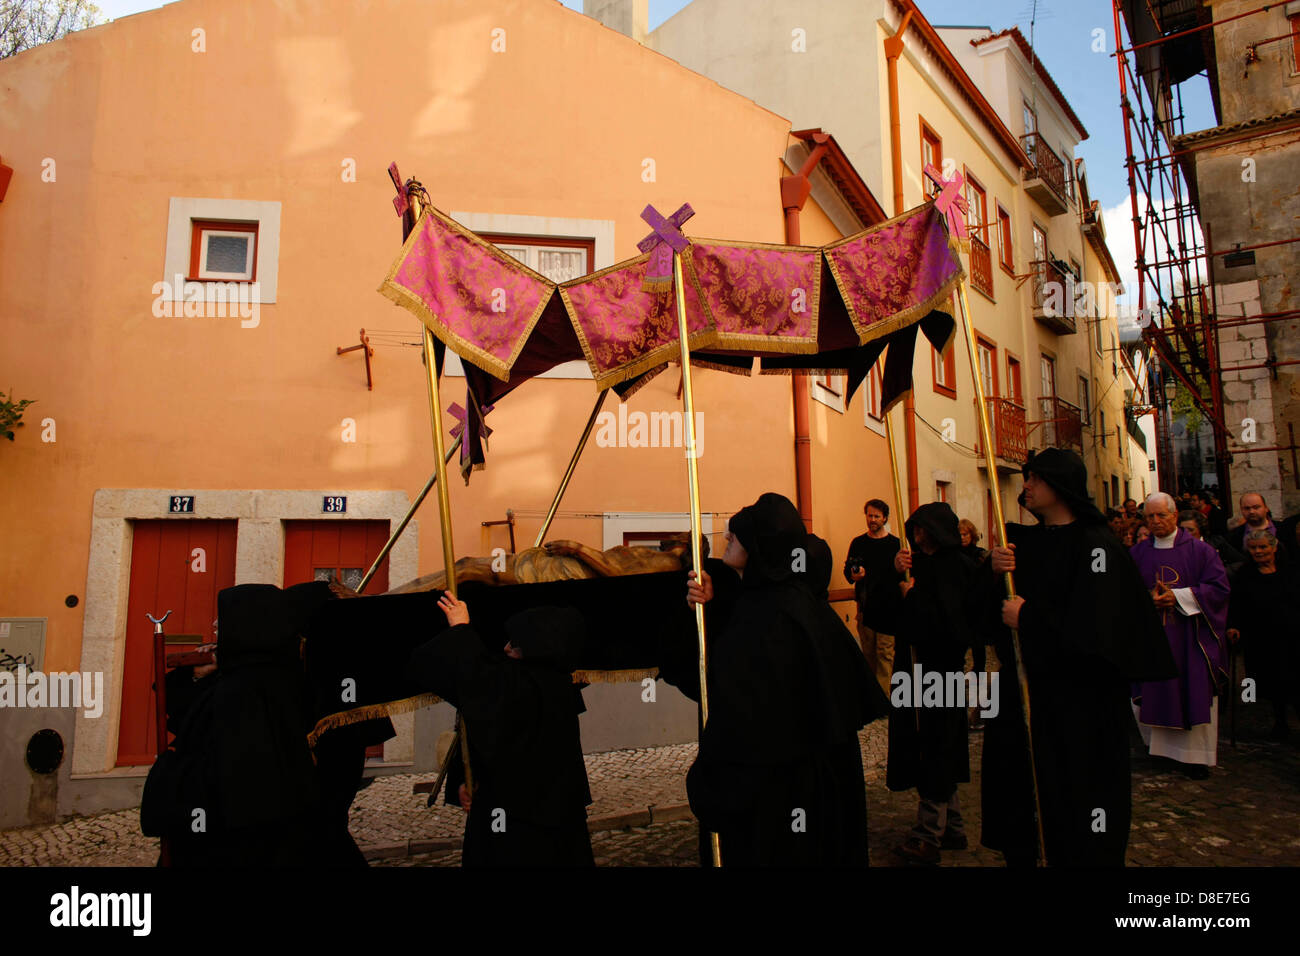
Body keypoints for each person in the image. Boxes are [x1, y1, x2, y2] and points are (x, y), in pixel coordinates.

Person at [983, 449, 1174, 867]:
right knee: (1027, 809)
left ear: (1061, 486)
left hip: (1080, 708)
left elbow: (1100, 631)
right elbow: (988, 621)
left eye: (1035, 478)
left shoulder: (1097, 547)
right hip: (1028, 696)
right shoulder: (1024, 544)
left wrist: (1028, 617)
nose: (1026, 485)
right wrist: (994, 575)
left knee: (1077, 812)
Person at [681, 492, 877, 866]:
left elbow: (733, 700)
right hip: (810, 797)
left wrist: (712, 785)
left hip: (779, 797)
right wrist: (707, 608)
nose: (726, 541)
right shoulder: (789, 602)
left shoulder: (771, 618)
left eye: (734, 538)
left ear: (757, 548)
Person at [409, 597, 594, 867]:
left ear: (534, 649)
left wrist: (460, 628)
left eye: (515, 644)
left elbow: (471, 675)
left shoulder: (517, 683)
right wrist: (465, 782)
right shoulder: (561, 686)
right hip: (558, 819)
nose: (506, 648)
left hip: (515, 827)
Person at [887, 503, 977, 865]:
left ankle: (928, 834)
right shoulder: (922, 565)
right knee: (938, 743)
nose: (917, 534)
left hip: (939, 669)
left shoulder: (956, 567)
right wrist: (897, 575)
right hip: (921, 669)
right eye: (915, 528)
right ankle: (951, 826)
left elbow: (948, 623)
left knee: (937, 746)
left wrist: (913, 599)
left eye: (923, 528)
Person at [1131, 492, 1231, 779]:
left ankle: (1196, 758)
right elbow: (1126, 592)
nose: (1155, 521)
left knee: (1193, 690)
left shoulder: (1201, 551)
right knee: (1157, 690)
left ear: (1175, 515)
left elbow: (1219, 589)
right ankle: (1161, 752)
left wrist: (1178, 597)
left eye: (1161, 515)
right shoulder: (1137, 554)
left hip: (1191, 637)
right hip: (1155, 637)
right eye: (1149, 516)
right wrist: (1147, 599)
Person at [1228, 529, 1300, 739]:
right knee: (1272, 681)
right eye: (1253, 548)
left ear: (1274, 547)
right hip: (1261, 638)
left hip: (1292, 636)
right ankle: (1279, 723)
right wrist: (1233, 626)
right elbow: (1237, 605)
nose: (1258, 551)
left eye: (1262, 547)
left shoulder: (1291, 571)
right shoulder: (1244, 575)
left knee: (1295, 681)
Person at [844, 498, 902, 695]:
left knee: (885, 656)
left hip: (890, 610)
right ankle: (872, 698)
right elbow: (848, 571)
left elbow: (903, 575)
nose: (873, 519)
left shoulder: (895, 544)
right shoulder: (858, 543)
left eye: (877, 516)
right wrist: (853, 575)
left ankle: (884, 700)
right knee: (868, 656)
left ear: (884, 518)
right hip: (866, 610)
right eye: (870, 515)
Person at [958, 518, 989, 729]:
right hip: (960, 615)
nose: (961, 538)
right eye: (959, 534)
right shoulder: (953, 557)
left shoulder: (980, 556)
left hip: (976, 615)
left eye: (965, 534)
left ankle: (980, 711)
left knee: (979, 663)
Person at [1177, 508, 1245, 580]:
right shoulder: (1176, 548)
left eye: (1190, 530)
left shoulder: (1217, 543)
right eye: (1182, 530)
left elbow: (1240, 562)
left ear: (1200, 529)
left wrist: (1221, 572)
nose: (1186, 534)